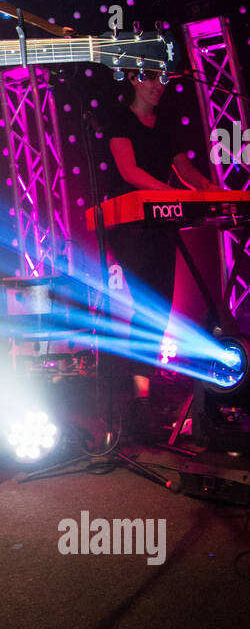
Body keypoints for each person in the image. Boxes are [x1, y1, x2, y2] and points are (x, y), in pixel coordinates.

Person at [105, 68, 217, 427]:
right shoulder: (119, 118)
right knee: (146, 304)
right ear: (135, 79)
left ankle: (145, 392)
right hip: (129, 222)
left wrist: (206, 187)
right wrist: (171, 194)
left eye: (164, 81)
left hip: (159, 220)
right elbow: (129, 171)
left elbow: (184, 168)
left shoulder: (165, 122)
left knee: (163, 305)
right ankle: (138, 395)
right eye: (152, 79)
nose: (159, 87)